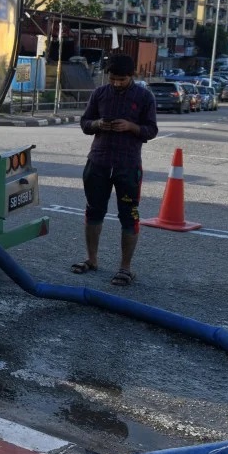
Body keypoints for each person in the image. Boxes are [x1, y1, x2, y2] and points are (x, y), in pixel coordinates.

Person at [72, 53, 158, 286]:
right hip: (98, 162)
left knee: (129, 216)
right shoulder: (99, 94)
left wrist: (131, 126)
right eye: (113, 79)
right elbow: (84, 123)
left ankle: (125, 268)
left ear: (132, 76)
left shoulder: (144, 97)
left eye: (121, 79)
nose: (117, 83)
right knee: (93, 211)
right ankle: (91, 260)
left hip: (127, 166)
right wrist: (97, 124)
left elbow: (151, 130)